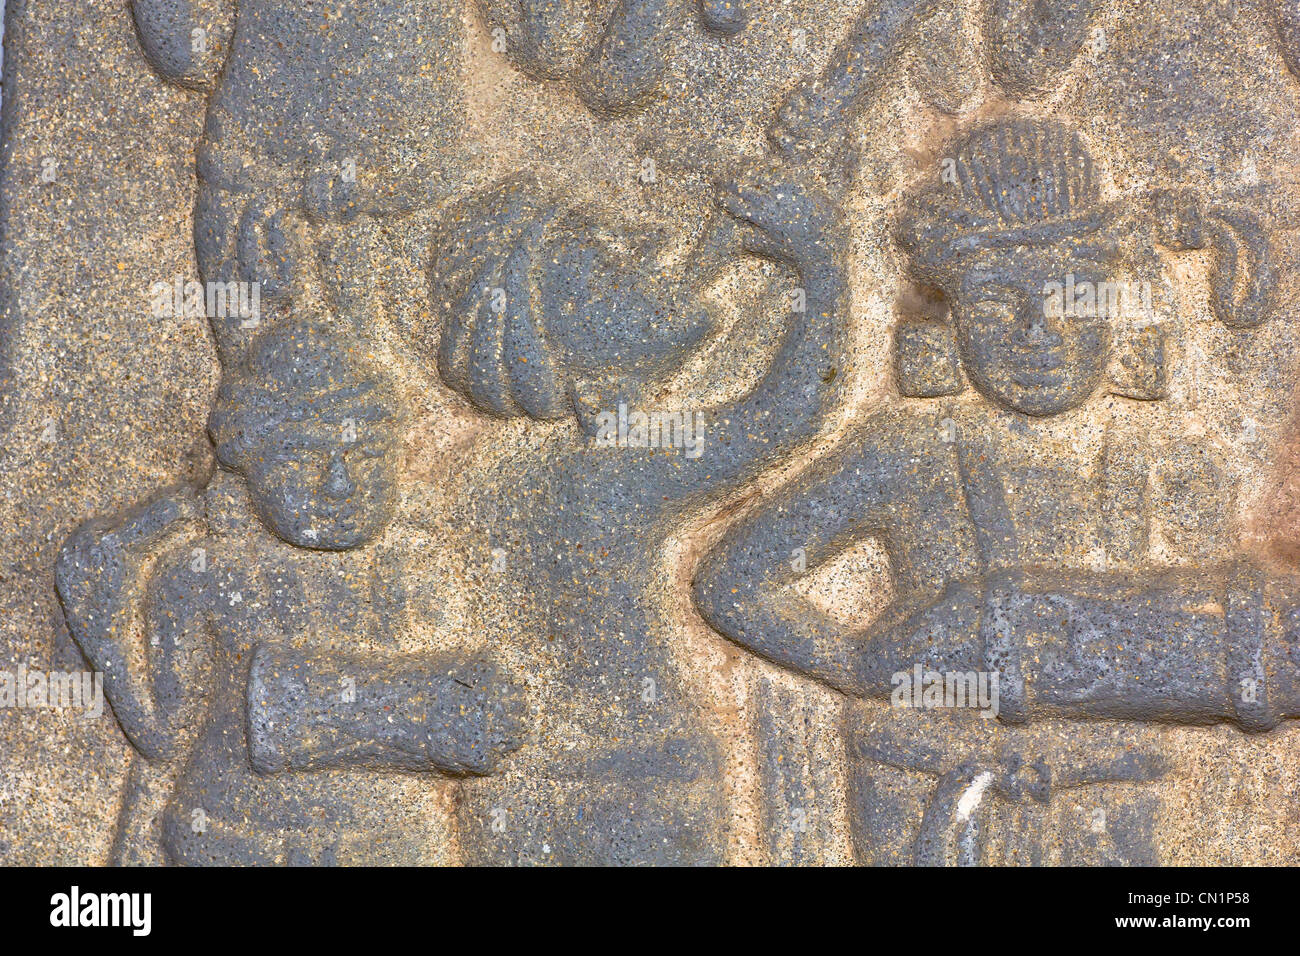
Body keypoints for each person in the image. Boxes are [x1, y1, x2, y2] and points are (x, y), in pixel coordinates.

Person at [694, 117, 1294, 864]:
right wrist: (854, 664)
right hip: (928, 793)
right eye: (995, 304)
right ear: (946, 321)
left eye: (1070, 301)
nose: (1037, 333)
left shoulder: (1169, 464)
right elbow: (729, 582)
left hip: (1109, 804)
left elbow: (1211, 657)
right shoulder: (910, 452)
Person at [414, 163, 849, 864]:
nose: (646, 258)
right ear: (545, 342)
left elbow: (656, 337)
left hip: (513, 787)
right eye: (608, 274)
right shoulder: (611, 469)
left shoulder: (483, 476)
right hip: (641, 780)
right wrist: (821, 261)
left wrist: (710, 269)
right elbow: (794, 408)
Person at [56, 319, 525, 864]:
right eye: (301, 458)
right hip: (235, 835)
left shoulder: (417, 572)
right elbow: (163, 737)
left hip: (385, 841)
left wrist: (474, 712)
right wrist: (105, 617)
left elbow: (458, 710)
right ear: (249, 461)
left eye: (365, 456)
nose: (339, 485)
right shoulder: (205, 573)